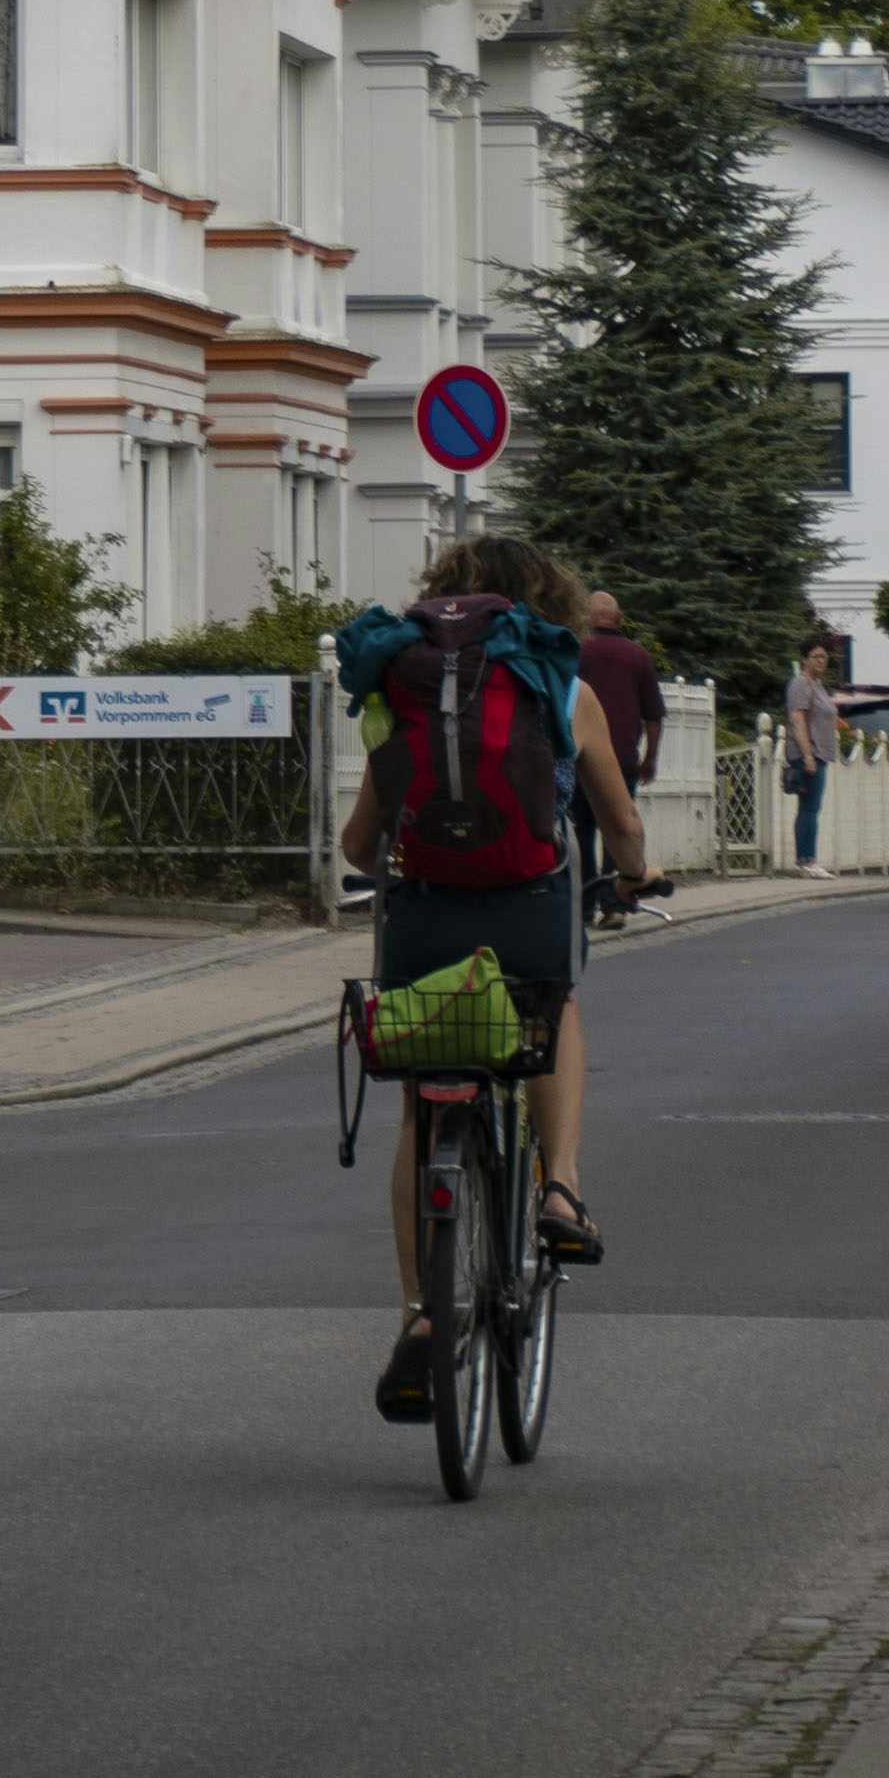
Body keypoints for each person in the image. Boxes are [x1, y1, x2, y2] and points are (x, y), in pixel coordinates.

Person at [337, 530, 653, 1420]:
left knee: (419, 1103)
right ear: (540, 601)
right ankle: (561, 1189)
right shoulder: (563, 683)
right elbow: (620, 824)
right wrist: (633, 875)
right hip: (529, 900)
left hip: (423, 914)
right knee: (555, 1011)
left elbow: (361, 845)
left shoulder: (400, 685)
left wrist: (389, 850)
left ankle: (421, 1319)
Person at [575, 584, 665, 789]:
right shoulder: (639, 656)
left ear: (587, 616)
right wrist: (650, 758)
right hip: (623, 759)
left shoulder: (575, 650)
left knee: (583, 821)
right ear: (618, 617)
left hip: (581, 757)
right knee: (619, 820)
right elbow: (653, 716)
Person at [783, 632, 844, 870]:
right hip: (809, 755)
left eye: (824, 656)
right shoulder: (801, 683)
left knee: (812, 807)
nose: (821, 661)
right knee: (809, 808)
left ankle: (808, 859)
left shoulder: (817, 684)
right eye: (816, 656)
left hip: (820, 754)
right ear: (805, 659)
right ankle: (807, 860)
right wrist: (807, 755)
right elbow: (797, 718)